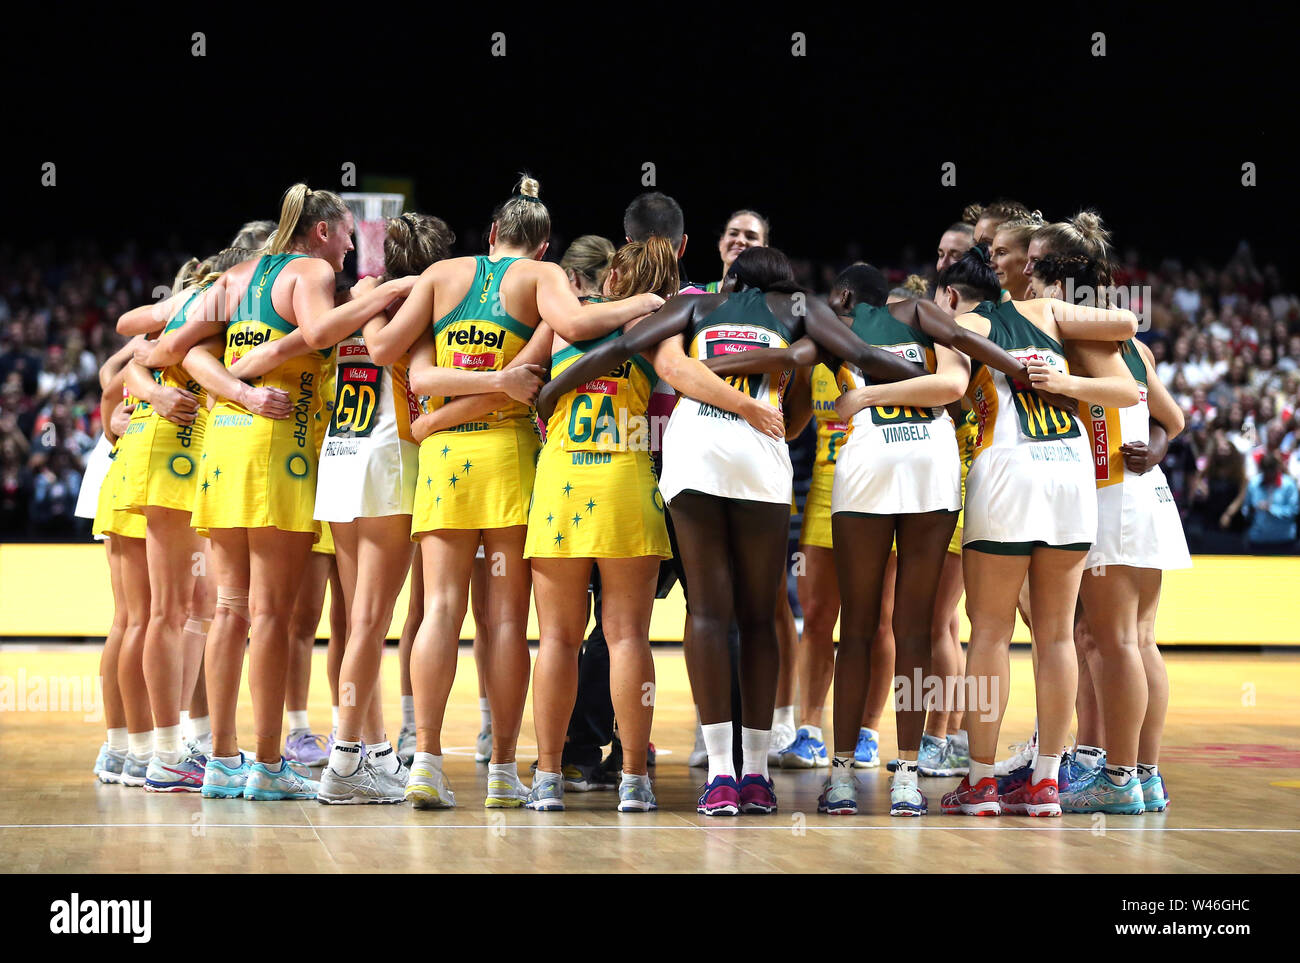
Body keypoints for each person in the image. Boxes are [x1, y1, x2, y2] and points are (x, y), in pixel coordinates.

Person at [546, 246, 922, 816]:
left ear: (732, 277)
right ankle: (756, 773)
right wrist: (920, 379)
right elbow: (862, 352)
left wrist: (550, 393)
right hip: (757, 460)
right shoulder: (796, 305)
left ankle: (719, 774)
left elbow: (622, 345)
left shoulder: (698, 304)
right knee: (759, 616)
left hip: (693, 455)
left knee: (706, 615)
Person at [365, 176, 664, 809]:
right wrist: (642, 306)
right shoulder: (541, 277)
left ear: (493, 231)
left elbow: (389, 352)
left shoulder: (443, 275)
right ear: (543, 243)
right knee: (504, 619)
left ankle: (426, 760)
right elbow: (575, 326)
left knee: (438, 608)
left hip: (445, 457)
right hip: (509, 456)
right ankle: (503, 766)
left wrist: (436, 365)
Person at [149, 183, 356, 800]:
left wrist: (235, 386)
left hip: (223, 450)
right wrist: (266, 365)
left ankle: (220, 760)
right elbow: (319, 334)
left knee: (229, 610)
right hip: (276, 451)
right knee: (269, 613)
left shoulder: (233, 277)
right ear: (321, 231)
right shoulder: (311, 270)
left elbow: (170, 350)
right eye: (346, 233)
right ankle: (268, 765)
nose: (350, 246)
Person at [940, 227, 1141, 818]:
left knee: (991, 633)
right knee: (1055, 637)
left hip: (1007, 471)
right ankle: (1048, 782)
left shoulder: (967, 322)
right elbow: (1127, 327)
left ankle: (979, 784)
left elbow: (938, 337)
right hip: (1069, 472)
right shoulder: (1052, 312)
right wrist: (1063, 366)